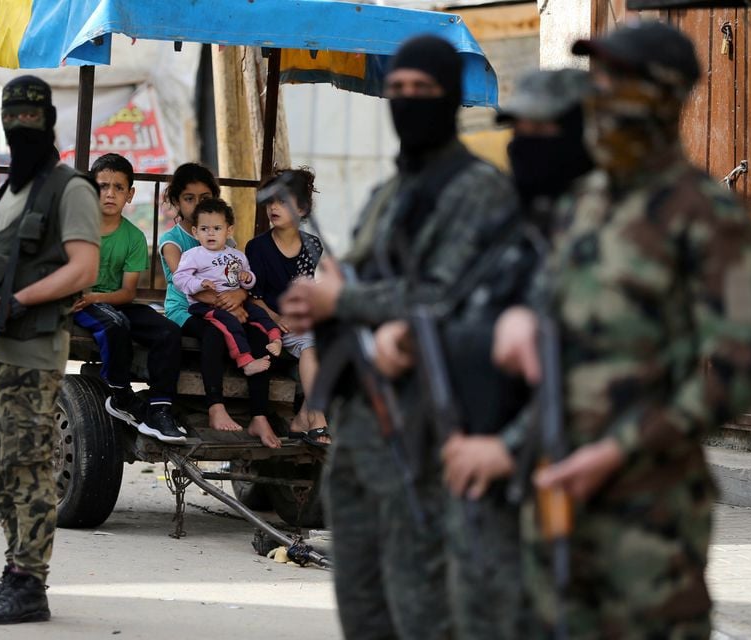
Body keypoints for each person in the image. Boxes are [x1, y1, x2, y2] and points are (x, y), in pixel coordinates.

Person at [480, 22, 751, 638]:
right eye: (599, 79)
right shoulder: (584, 201)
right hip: (553, 486)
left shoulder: (705, 215)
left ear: (663, 94)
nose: (601, 95)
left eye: (617, 80)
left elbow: (740, 374)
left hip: (648, 512)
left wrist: (616, 448)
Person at [281, 35, 514, 639]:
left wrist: (344, 299)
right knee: (358, 595)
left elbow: (450, 297)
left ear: (449, 98)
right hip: (362, 420)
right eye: (400, 90)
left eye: (424, 91)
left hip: (426, 423)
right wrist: (322, 302)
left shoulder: (477, 190)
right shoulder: (391, 193)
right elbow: (353, 273)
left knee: (422, 603)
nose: (409, 102)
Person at [371, 68, 592, 640]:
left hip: (569, 488)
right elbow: (459, 302)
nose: (526, 143)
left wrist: (509, 449)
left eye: (545, 130)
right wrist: (413, 337)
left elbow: (616, 373)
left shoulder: (612, 237)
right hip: (479, 487)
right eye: (519, 128)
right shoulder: (512, 224)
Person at [0, 75, 100, 625]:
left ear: (48, 120)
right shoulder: (9, 189)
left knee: (29, 465)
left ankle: (31, 583)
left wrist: (20, 300)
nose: (20, 127)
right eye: (13, 118)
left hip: (30, 350)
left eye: (31, 117)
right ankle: (14, 571)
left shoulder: (68, 187)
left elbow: (84, 268)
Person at [157, 167, 278, 447]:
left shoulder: (226, 241)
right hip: (185, 310)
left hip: (227, 307)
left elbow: (236, 277)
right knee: (214, 332)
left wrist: (238, 295)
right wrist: (228, 304)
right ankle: (215, 406)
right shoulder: (172, 242)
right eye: (189, 198)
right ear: (176, 202)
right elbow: (186, 282)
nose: (198, 203)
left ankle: (259, 415)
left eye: (205, 196)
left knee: (258, 336)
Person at [71, 152, 187, 444]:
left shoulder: (134, 237)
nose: (110, 194)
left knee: (168, 331)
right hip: (76, 302)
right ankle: (120, 394)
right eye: (103, 186)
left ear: (130, 194)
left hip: (108, 299)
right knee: (114, 325)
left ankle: (160, 407)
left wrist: (97, 296)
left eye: (119, 188)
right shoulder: (76, 229)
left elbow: (127, 293)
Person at [248, 168, 330, 447]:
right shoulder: (257, 247)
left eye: (282, 201)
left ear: (302, 208)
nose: (273, 208)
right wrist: (276, 317)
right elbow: (253, 297)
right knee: (312, 344)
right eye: (271, 201)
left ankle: (301, 418)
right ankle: (317, 420)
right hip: (265, 322)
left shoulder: (312, 246)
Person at [173, 197, 282, 376]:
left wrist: (247, 278)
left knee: (258, 313)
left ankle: (275, 338)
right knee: (229, 324)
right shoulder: (193, 255)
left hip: (235, 301)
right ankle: (245, 361)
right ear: (195, 231)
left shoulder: (238, 256)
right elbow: (180, 279)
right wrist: (199, 284)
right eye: (204, 229)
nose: (210, 234)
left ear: (229, 230)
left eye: (216, 229)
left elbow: (249, 281)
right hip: (204, 306)